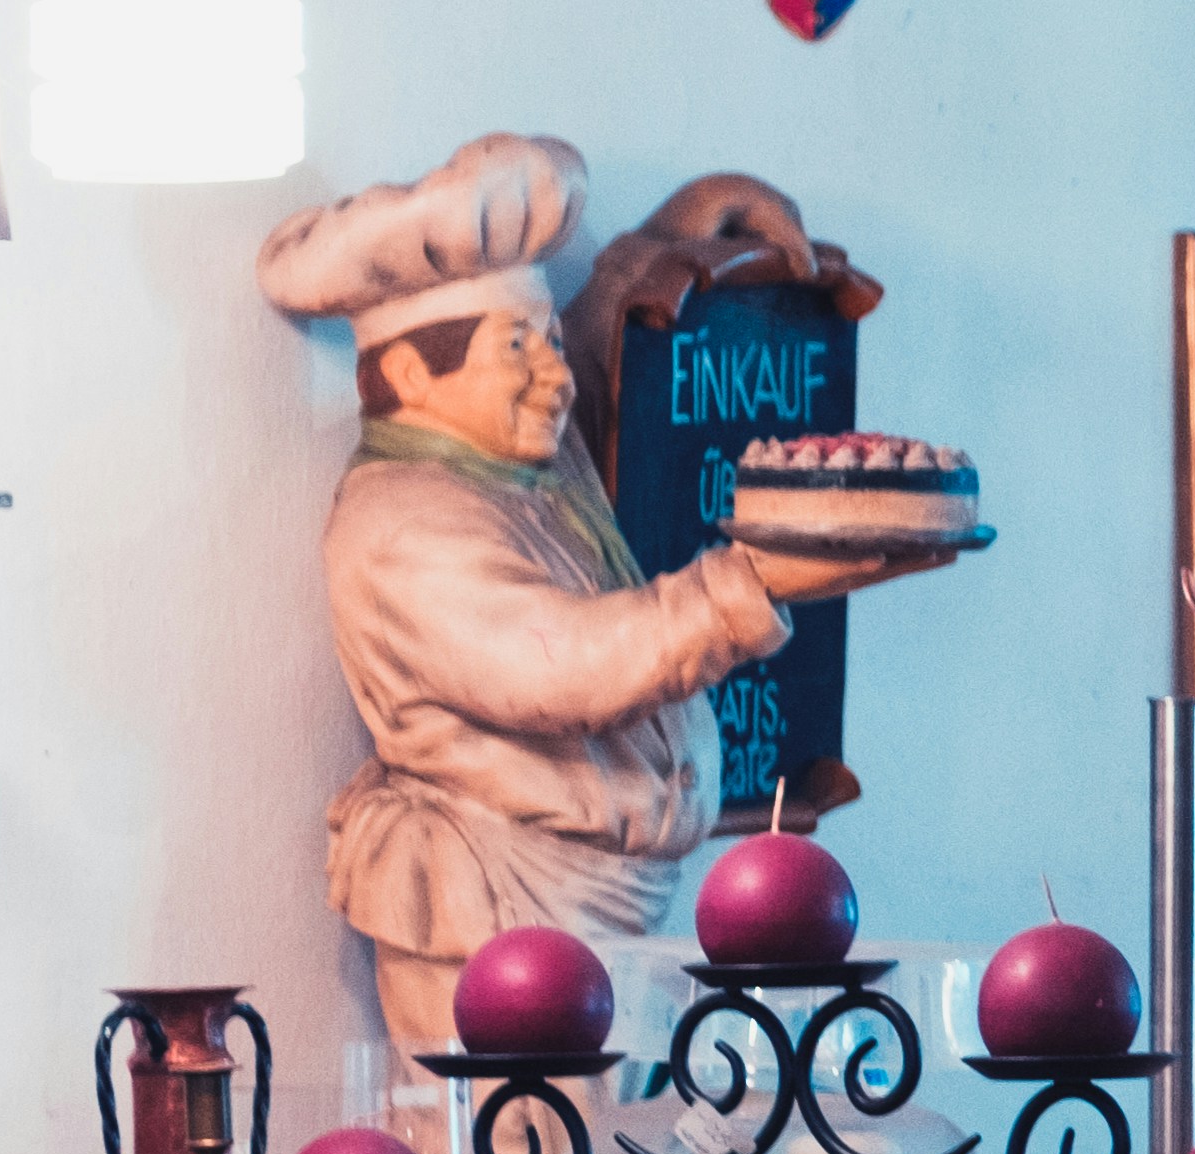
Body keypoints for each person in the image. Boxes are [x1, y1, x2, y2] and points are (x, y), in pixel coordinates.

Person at [256, 136, 950, 1057]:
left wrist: (680, 227)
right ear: (416, 377)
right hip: (495, 918)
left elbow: (592, 350)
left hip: (602, 918)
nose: (555, 374)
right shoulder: (401, 524)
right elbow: (566, 668)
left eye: (543, 340)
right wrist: (753, 583)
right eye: (517, 349)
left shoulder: (513, 454)